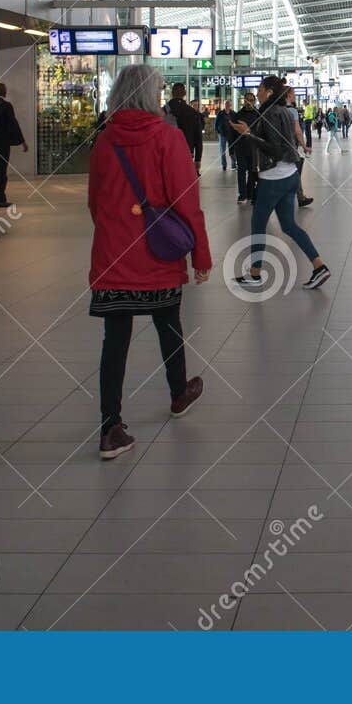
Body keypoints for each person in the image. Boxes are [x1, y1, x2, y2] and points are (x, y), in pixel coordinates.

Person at [87, 64, 210, 458]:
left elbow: (96, 203)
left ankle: (111, 428)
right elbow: (186, 203)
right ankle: (178, 394)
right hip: (157, 255)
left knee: (115, 340)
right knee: (168, 324)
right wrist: (200, 255)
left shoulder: (104, 141)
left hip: (114, 256)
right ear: (150, 95)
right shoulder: (166, 137)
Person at [231, 76, 330, 291]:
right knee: (289, 225)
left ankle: (255, 274)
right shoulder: (284, 110)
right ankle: (319, 266)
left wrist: (248, 134)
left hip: (273, 179)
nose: (256, 92)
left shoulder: (269, 113)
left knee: (258, 224)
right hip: (290, 174)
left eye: (259, 88)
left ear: (268, 91)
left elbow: (274, 150)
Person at [166, 83, 204, 170]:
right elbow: (198, 137)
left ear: (172, 93)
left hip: (166, 153)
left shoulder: (162, 111)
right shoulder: (192, 112)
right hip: (186, 152)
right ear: (185, 93)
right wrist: (198, 158)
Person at [233, 90, 260, 203]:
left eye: (251, 100)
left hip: (253, 147)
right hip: (240, 147)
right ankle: (242, 194)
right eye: (247, 100)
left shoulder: (258, 114)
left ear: (254, 101)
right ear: (244, 101)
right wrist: (231, 148)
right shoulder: (238, 115)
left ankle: (250, 192)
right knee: (241, 170)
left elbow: (261, 131)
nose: (249, 102)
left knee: (252, 171)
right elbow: (233, 131)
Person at [214, 101, 233, 171]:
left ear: (230, 105)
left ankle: (234, 164)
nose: (227, 105)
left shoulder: (233, 113)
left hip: (231, 134)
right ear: (224, 105)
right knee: (223, 151)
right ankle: (224, 165)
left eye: (229, 104)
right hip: (222, 134)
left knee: (232, 150)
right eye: (226, 104)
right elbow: (216, 122)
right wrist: (218, 131)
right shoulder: (221, 113)